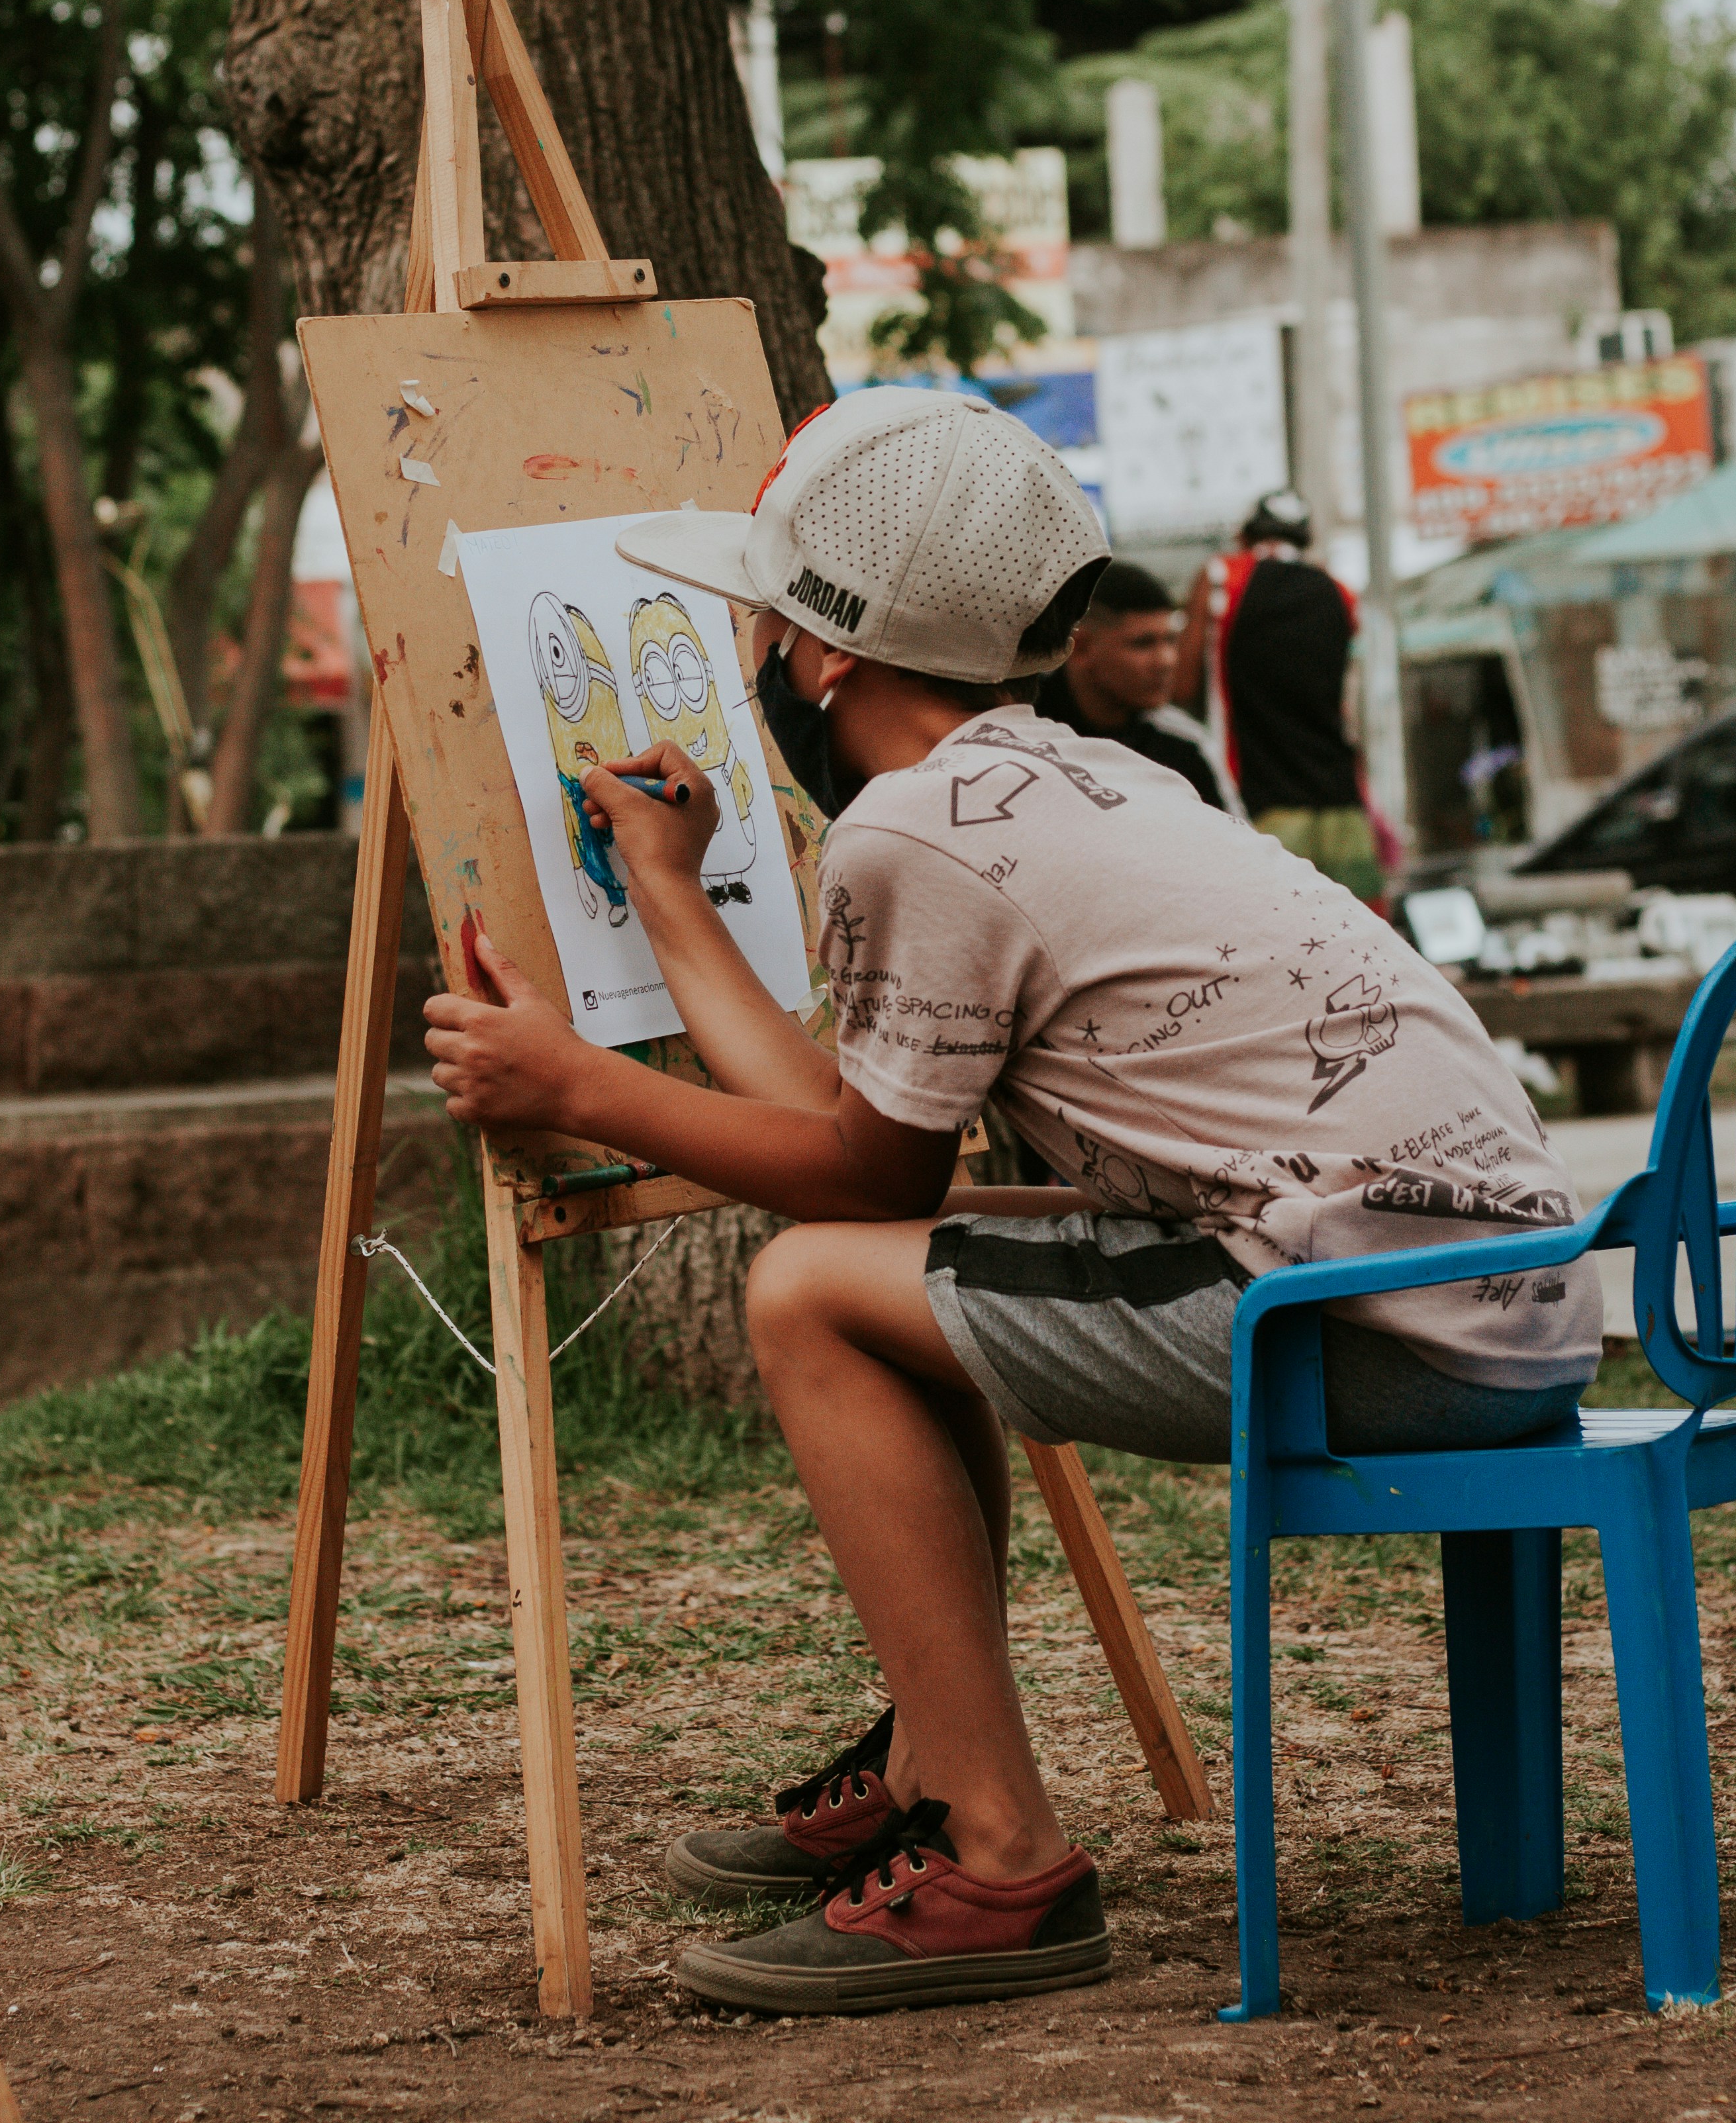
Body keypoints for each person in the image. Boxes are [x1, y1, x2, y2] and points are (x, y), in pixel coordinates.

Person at [421, 390, 1601, 2020]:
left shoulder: (912, 830)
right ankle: (931, 1755)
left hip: (1369, 1327)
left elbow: (863, 1178)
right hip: (1495, 1301)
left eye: (759, 610)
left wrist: (573, 1085)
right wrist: (672, 895)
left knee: (806, 1288)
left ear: (822, 652)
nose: (750, 644)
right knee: (880, 1277)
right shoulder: (1046, 778)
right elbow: (850, 1126)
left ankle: (998, 1849)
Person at [1169, 488, 1382, 901]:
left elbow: (1182, 685)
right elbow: (1349, 709)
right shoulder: (1341, 593)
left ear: (1244, 536)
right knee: (1359, 947)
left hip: (1257, 804)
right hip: (1342, 807)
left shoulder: (1221, 579)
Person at [1035, 555, 1239, 816]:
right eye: (1143, 644)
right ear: (1083, 648)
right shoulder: (1023, 730)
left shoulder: (1184, 744)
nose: (1167, 660)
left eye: (1170, 641)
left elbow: (1241, 845)